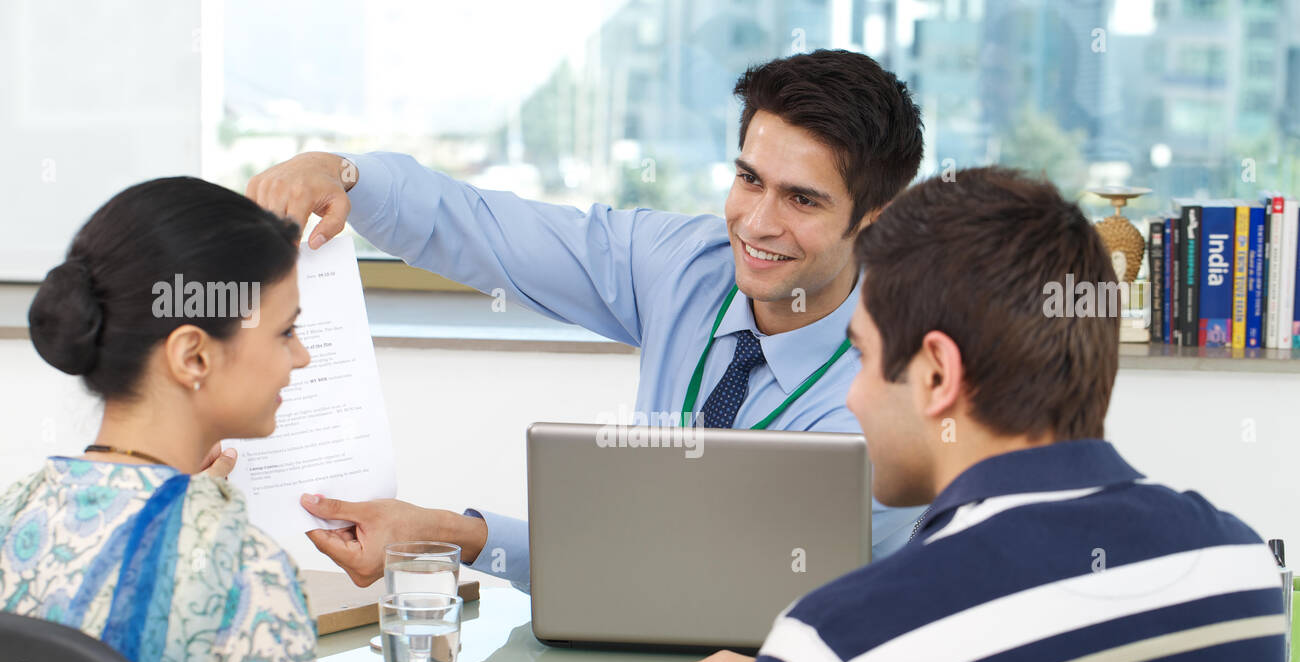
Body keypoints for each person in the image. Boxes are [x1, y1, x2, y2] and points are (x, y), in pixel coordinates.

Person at [655, 166, 1287, 662]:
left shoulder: (833, 647)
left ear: (936, 374)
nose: (856, 398)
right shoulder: (1243, 573)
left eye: (861, 356)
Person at [244, 49, 928, 594]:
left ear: (874, 217)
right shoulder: (689, 264)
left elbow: (683, 584)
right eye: (749, 179)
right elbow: (489, 231)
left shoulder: (890, 399)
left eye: (801, 200)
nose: (756, 223)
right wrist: (343, 175)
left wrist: (458, 537)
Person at [0, 177, 476, 662]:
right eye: (285, 332)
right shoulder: (241, 574)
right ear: (194, 355)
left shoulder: (16, 513)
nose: (302, 356)